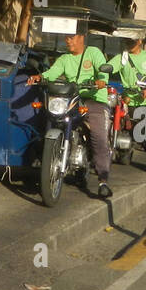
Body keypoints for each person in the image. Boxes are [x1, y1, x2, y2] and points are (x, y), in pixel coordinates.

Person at [26, 31, 113, 197]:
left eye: (71, 37)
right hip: (72, 98)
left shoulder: (93, 53)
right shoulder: (65, 59)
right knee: (49, 117)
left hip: (94, 99)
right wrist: (40, 77)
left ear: (82, 37)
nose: (68, 41)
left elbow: (103, 71)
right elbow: (52, 73)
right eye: (66, 38)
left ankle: (103, 180)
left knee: (98, 136)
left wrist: (101, 80)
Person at [106, 39, 146, 176]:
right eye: (127, 41)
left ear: (140, 40)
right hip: (130, 101)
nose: (129, 44)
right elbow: (107, 68)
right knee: (131, 131)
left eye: (132, 41)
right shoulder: (122, 58)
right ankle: (125, 151)